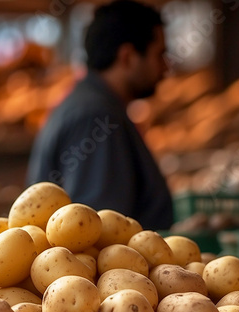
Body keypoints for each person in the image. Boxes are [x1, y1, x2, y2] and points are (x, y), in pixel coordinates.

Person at [27, 0, 173, 230]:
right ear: (127, 57)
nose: (166, 68)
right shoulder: (95, 117)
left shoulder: (94, 105)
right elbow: (94, 229)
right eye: (160, 55)